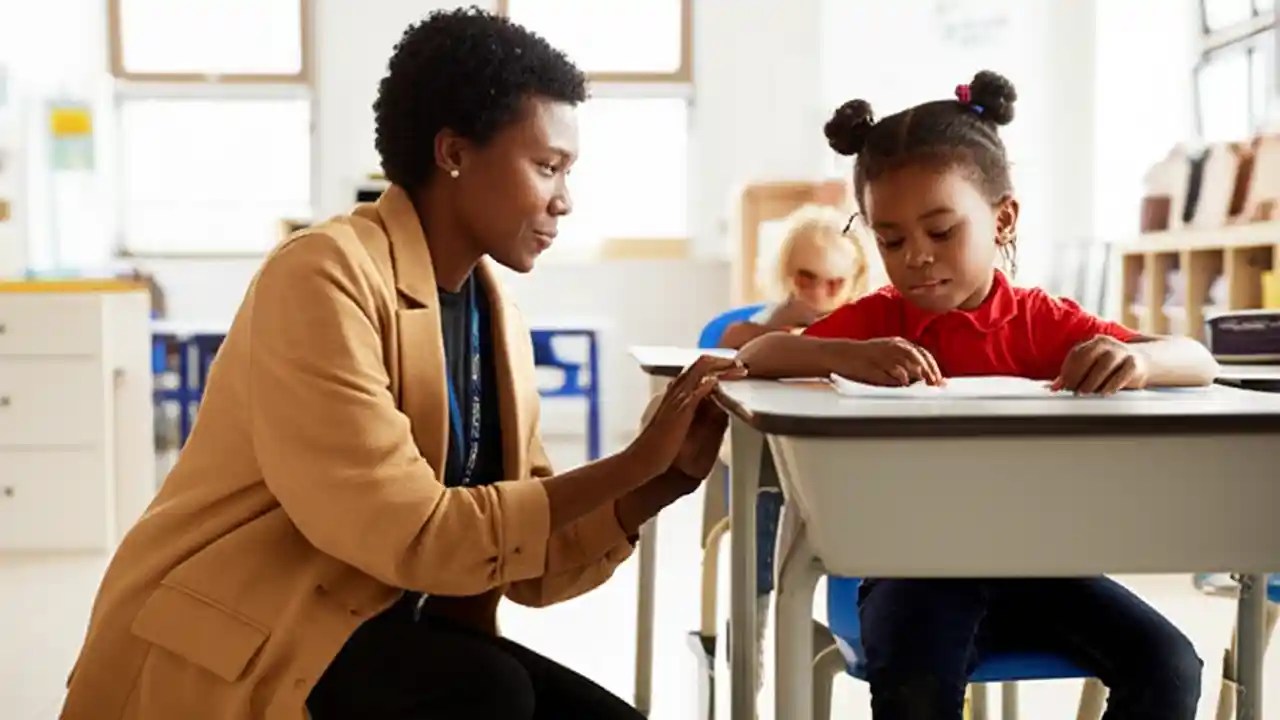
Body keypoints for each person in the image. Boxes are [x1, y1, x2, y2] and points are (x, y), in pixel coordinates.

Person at [61, 9, 742, 719]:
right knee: (487, 695)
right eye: (547, 167)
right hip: (256, 632)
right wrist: (630, 463)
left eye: (567, 173)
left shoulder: (494, 313)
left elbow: (531, 562)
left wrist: (661, 481)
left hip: (379, 628)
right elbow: (411, 532)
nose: (564, 201)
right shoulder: (321, 275)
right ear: (454, 152)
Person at [737, 71, 1217, 719]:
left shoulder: (1041, 322)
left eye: (941, 232)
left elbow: (1196, 359)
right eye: (891, 240)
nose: (916, 258)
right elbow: (758, 355)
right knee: (916, 687)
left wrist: (1139, 359)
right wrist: (842, 354)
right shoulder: (879, 319)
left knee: (1169, 666)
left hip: (1041, 570)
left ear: (1003, 219)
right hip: (911, 569)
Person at [718, 203, 871, 349]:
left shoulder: (861, 323)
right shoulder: (773, 317)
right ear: (786, 272)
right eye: (805, 279)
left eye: (834, 284)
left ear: (855, 281)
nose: (818, 292)